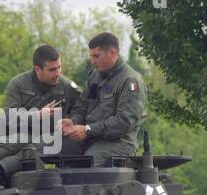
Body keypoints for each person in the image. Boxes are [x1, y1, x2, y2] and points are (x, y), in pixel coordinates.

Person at [0, 44, 83, 189]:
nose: (58, 73)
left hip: (49, 136)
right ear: (37, 69)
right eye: (52, 70)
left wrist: (71, 122)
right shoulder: (18, 83)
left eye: (59, 67)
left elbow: (81, 110)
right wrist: (37, 115)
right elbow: (10, 116)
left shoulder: (67, 87)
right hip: (20, 128)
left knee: (20, 140)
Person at [60, 32, 147, 165]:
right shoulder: (95, 75)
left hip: (118, 142)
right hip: (91, 137)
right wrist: (73, 122)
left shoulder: (130, 81)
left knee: (88, 162)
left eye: (96, 56)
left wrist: (88, 130)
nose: (92, 61)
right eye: (91, 56)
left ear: (112, 53)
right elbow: (82, 105)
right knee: (58, 150)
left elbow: (124, 122)